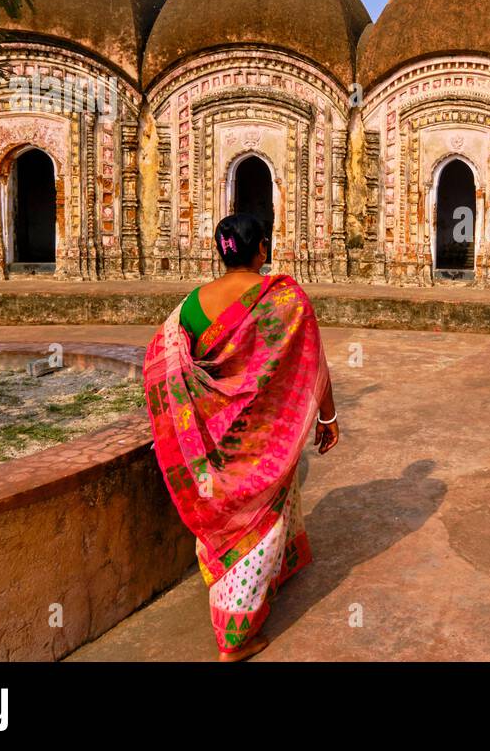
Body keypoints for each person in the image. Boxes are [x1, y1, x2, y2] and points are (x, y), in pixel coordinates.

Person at [142, 213, 341, 661]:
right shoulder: (285, 299)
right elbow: (312, 360)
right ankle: (236, 636)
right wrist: (326, 418)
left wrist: (186, 425)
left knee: (225, 520)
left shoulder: (191, 305)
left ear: (221, 250)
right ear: (262, 249)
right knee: (262, 522)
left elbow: (164, 365)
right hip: (268, 438)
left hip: (211, 445)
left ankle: (245, 585)